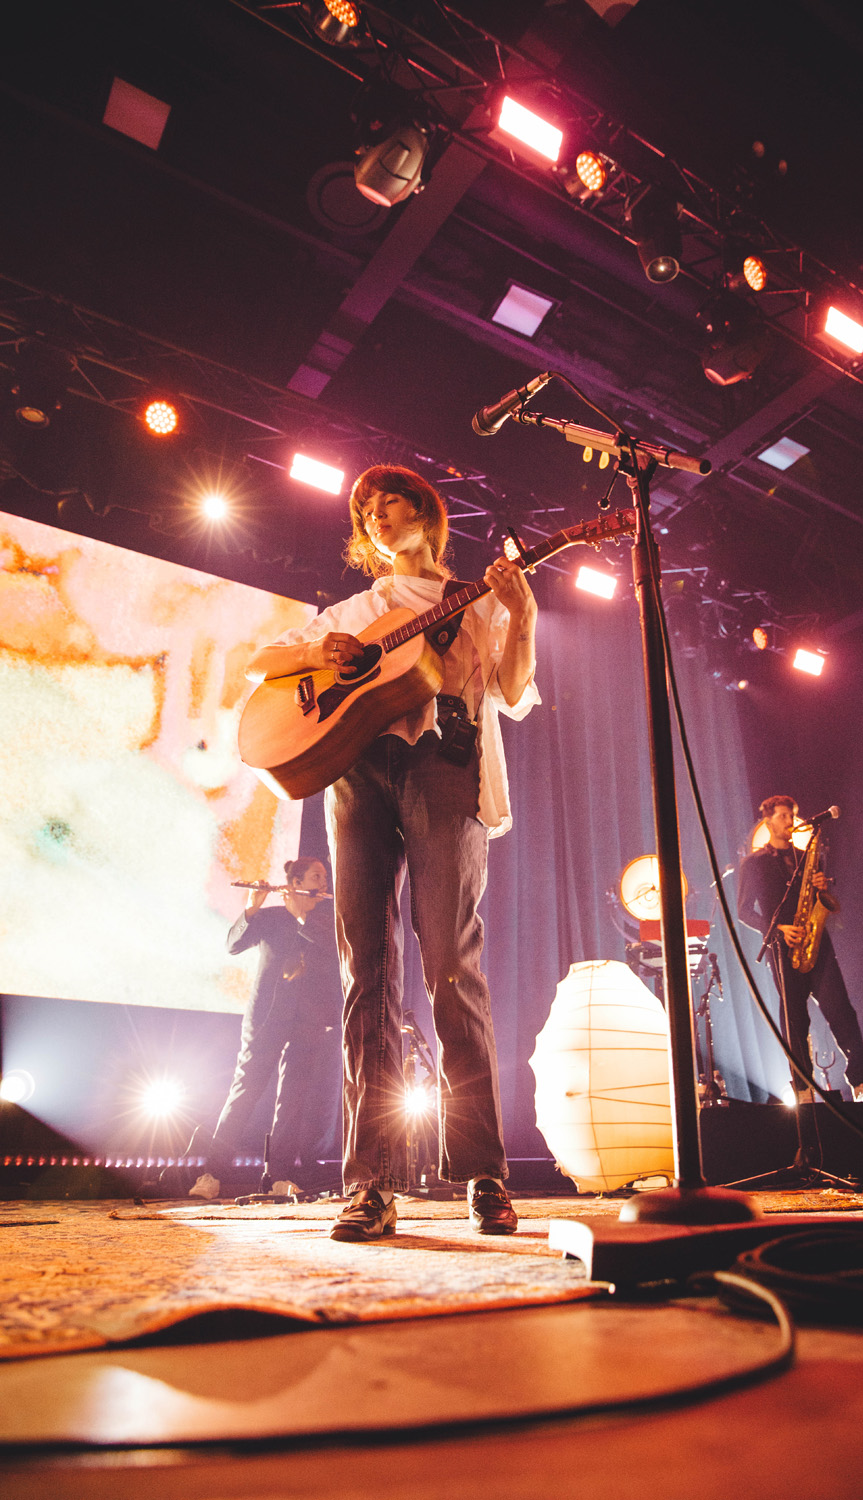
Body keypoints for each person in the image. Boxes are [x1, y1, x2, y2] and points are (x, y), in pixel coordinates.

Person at [246, 465, 539, 1239]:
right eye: (365, 509)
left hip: (445, 765)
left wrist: (524, 615)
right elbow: (262, 666)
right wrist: (321, 654)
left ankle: (482, 1171)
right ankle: (371, 1182)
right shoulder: (355, 608)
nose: (376, 514)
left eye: (389, 500)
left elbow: (509, 689)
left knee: (449, 962)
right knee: (365, 974)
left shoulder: (467, 598)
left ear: (426, 511)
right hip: (356, 775)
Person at [188, 857, 340, 1200]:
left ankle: (277, 1177)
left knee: (292, 1102)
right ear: (296, 880)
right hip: (266, 1021)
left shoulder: (328, 923)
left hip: (309, 1024)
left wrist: (303, 916)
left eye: (325, 877)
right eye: (317, 876)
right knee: (244, 1094)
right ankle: (211, 1174)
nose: (324, 883)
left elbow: (334, 956)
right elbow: (233, 945)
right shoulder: (271, 918)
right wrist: (252, 907)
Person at [738, 794, 863, 1102]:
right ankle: (802, 1088)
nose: (790, 822)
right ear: (768, 821)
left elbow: (824, 903)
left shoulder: (806, 856)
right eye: (784, 816)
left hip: (818, 942)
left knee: (842, 1011)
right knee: (795, 1019)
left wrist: (821, 886)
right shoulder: (754, 864)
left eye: (792, 815)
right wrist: (777, 929)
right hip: (782, 948)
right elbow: (744, 911)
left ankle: (862, 1081)